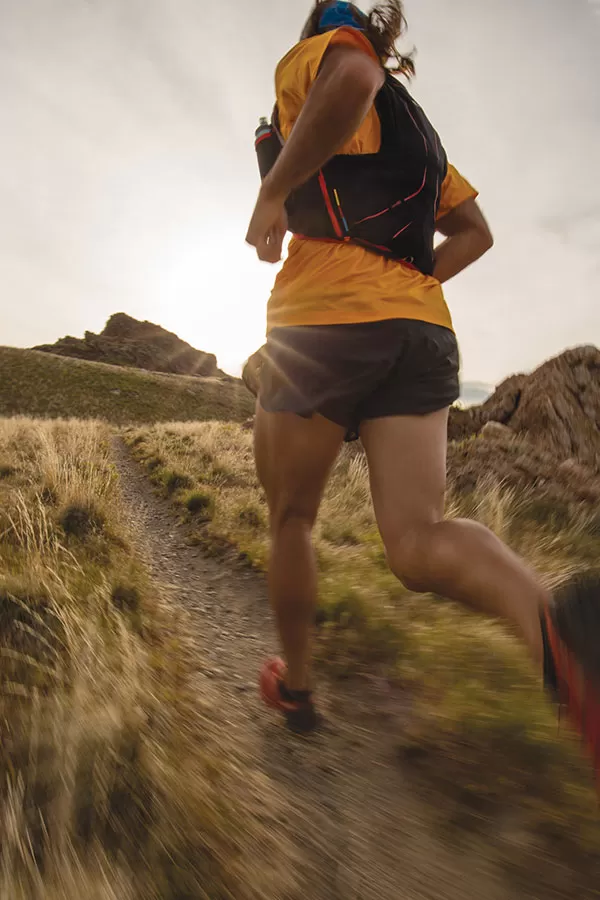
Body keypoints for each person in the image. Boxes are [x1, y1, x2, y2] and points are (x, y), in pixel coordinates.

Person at [245, 0, 599, 779]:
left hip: (321, 324)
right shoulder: (424, 136)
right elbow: (476, 232)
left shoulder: (318, 60)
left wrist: (273, 194)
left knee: (292, 517)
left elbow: (354, 74)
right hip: (420, 332)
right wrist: (403, 289)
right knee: (416, 539)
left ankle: (297, 692)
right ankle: (559, 628)